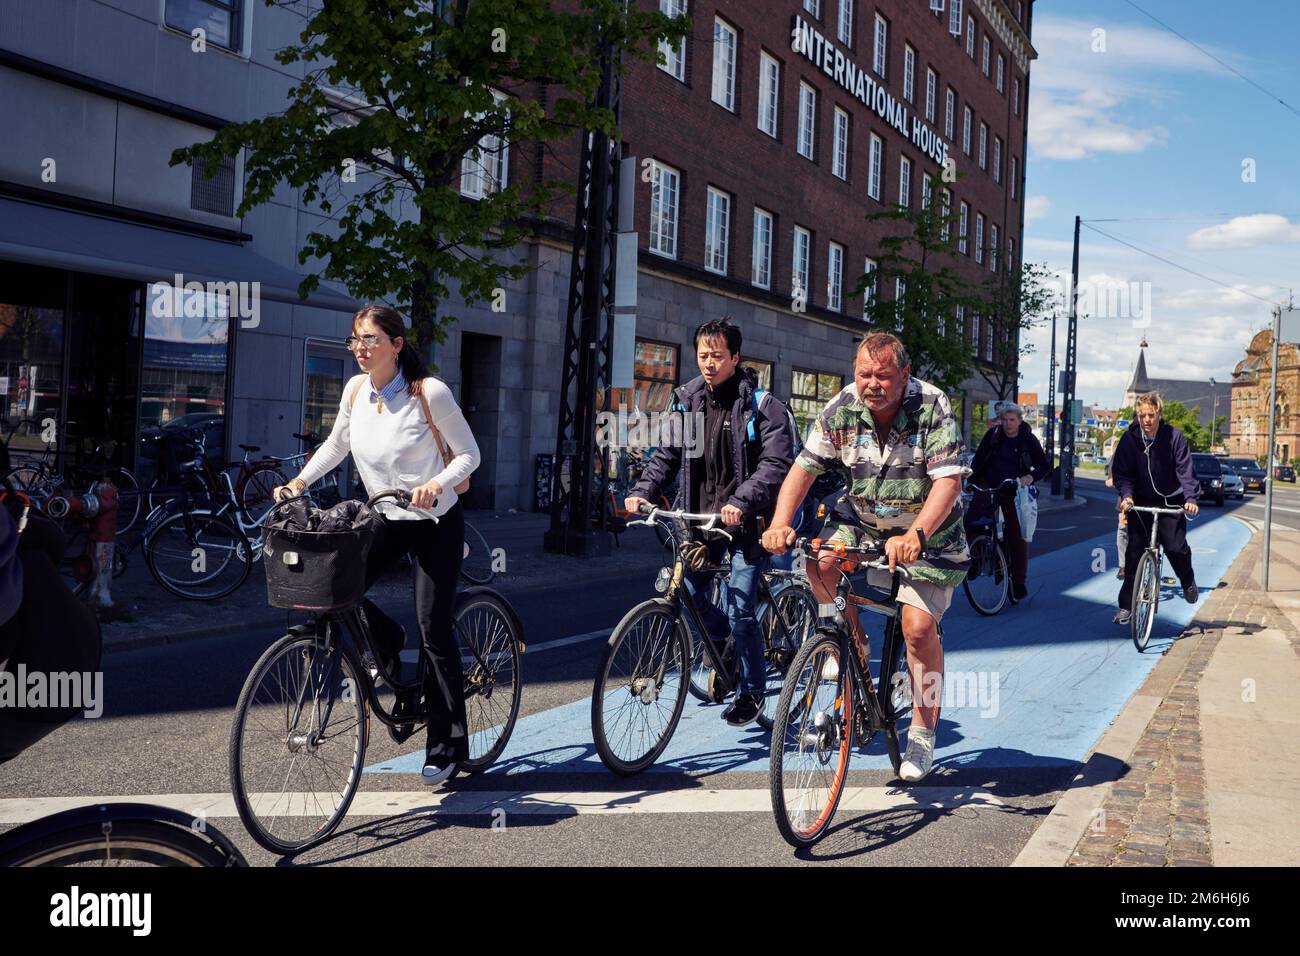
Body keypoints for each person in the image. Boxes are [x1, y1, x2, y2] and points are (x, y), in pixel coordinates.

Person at [274, 305, 480, 785]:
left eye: (370, 339)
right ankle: (388, 644)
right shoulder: (354, 390)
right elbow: (336, 444)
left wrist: (436, 483)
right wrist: (299, 482)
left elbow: (470, 454)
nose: (360, 348)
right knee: (333, 589)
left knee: (435, 628)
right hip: (385, 514)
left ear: (396, 345)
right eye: (355, 339)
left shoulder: (429, 392)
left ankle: (447, 746)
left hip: (434, 520)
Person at [762, 332, 969, 783]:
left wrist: (916, 534)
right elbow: (803, 468)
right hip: (863, 519)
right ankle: (852, 640)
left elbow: (949, 483)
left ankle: (922, 730)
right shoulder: (842, 407)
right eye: (863, 374)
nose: (872, 384)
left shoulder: (932, 407)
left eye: (883, 375)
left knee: (917, 629)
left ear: (905, 375)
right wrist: (780, 522)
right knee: (818, 560)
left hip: (928, 532)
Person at [625, 318, 794, 728]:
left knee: (739, 608)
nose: (709, 363)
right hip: (700, 519)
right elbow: (666, 454)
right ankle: (725, 644)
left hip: (747, 521)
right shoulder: (689, 401)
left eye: (718, 355)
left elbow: (775, 465)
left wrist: (740, 501)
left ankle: (752, 691)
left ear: (736, 357)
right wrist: (643, 490)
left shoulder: (759, 405)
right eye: (703, 355)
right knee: (688, 593)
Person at [1110, 391, 1199, 624]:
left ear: (1159, 413)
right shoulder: (1130, 439)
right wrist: (1127, 496)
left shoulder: (1174, 437)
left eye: (1151, 415)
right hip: (1139, 500)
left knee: (1175, 547)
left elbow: (1185, 471)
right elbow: (1122, 473)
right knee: (1133, 552)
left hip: (1170, 499)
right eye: (1142, 416)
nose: (1146, 420)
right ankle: (1126, 606)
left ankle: (1188, 580)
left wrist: (1190, 498)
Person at [967, 402, 1049, 602]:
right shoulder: (994, 435)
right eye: (1004, 420)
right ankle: (976, 560)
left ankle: (1019, 582)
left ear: (1020, 421)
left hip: (1014, 488)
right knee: (972, 521)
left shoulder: (1027, 439)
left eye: (1012, 420)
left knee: (1017, 534)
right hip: (990, 483)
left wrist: (1030, 477)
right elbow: (978, 461)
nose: (1008, 424)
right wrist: (970, 481)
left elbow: (1043, 465)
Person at [1105, 457, 1127, 579]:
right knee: (1123, 531)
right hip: (1127, 496)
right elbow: (1115, 460)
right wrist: (1111, 477)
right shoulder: (1129, 442)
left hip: (1152, 496)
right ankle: (1123, 566)